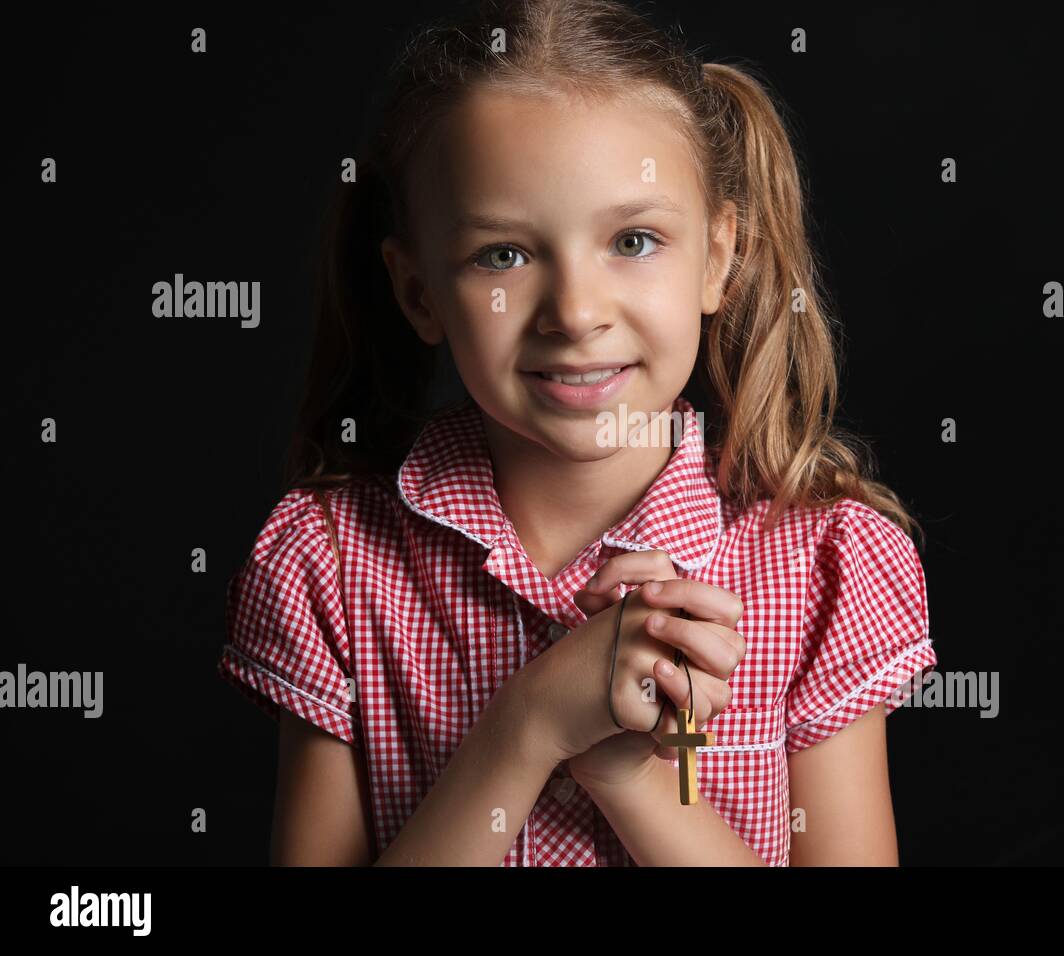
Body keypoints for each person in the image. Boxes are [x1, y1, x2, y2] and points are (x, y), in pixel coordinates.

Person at [217, 0, 936, 866]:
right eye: (503, 256)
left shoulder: (824, 565)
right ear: (418, 294)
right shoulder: (328, 565)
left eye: (633, 239)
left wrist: (628, 776)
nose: (577, 313)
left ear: (716, 258)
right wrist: (531, 724)